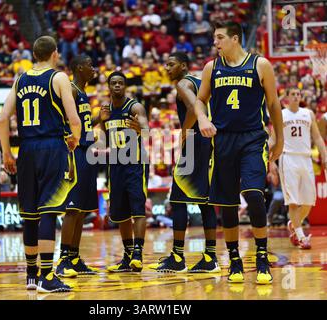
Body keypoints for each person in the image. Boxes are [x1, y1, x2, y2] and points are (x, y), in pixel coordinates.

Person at [194, 22, 284, 285]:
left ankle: (262, 256)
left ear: (235, 38)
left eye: (220, 38)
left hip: (252, 138)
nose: (216, 43)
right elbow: (200, 100)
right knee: (228, 203)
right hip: (222, 141)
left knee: (254, 195)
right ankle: (234, 259)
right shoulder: (212, 67)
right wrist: (201, 119)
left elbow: (274, 103)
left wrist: (279, 138)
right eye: (214, 38)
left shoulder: (260, 64)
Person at [0, 36, 81, 293]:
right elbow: (74, 118)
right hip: (51, 147)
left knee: (30, 215)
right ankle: (48, 276)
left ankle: (32, 276)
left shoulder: (20, 79)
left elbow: (2, 120)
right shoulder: (58, 78)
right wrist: (74, 140)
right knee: (48, 210)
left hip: (26, 150)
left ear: (33, 54)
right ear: (55, 54)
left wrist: (7, 154)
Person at [150, 51, 220, 273]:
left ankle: (178, 257)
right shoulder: (201, 82)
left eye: (171, 64)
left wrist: (184, 131)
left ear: (183, 65)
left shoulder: (182, 84)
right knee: (205, 200)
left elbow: (193, 109)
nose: (167, 68)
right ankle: (210, 257)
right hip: (210, 142)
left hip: (196, 142)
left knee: (178, 199)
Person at [100, 71, 149, 272]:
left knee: (138, 210)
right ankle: (128, 256)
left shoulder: (134, 106)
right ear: (109, 87)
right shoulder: (105, 111)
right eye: (114, 83)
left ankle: (138, 251)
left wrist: (141, 129)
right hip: (115, 166)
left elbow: (147, 128)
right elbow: (103, 136)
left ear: (125, 86)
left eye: (121, 83)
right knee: (120, 215)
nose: (117, 86)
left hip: (135, 164)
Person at [56, 55, 99, 277]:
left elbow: (83, 126)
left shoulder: (82, 93)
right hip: (75, 154)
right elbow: (60, 121)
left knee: (82, 210)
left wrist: (98, 119)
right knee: (72, 209)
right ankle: (63, 261)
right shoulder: (71, 90)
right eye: (90, 65)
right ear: (80, 68)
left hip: (88, 152)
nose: (94, 69)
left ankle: (74, 257)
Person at [279, 87, 327, 249]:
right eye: (293, 94)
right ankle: (301, 237)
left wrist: (324, 155)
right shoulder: (281, 114)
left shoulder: (308, 114)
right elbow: (274, 138)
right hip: (288, 158)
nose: (296, 96)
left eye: (298, 94)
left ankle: (294, 224)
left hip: (306, 159)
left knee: (308, 202)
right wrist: (270, 160)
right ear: (287, 97)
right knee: (293, 201)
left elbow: (318, 137)